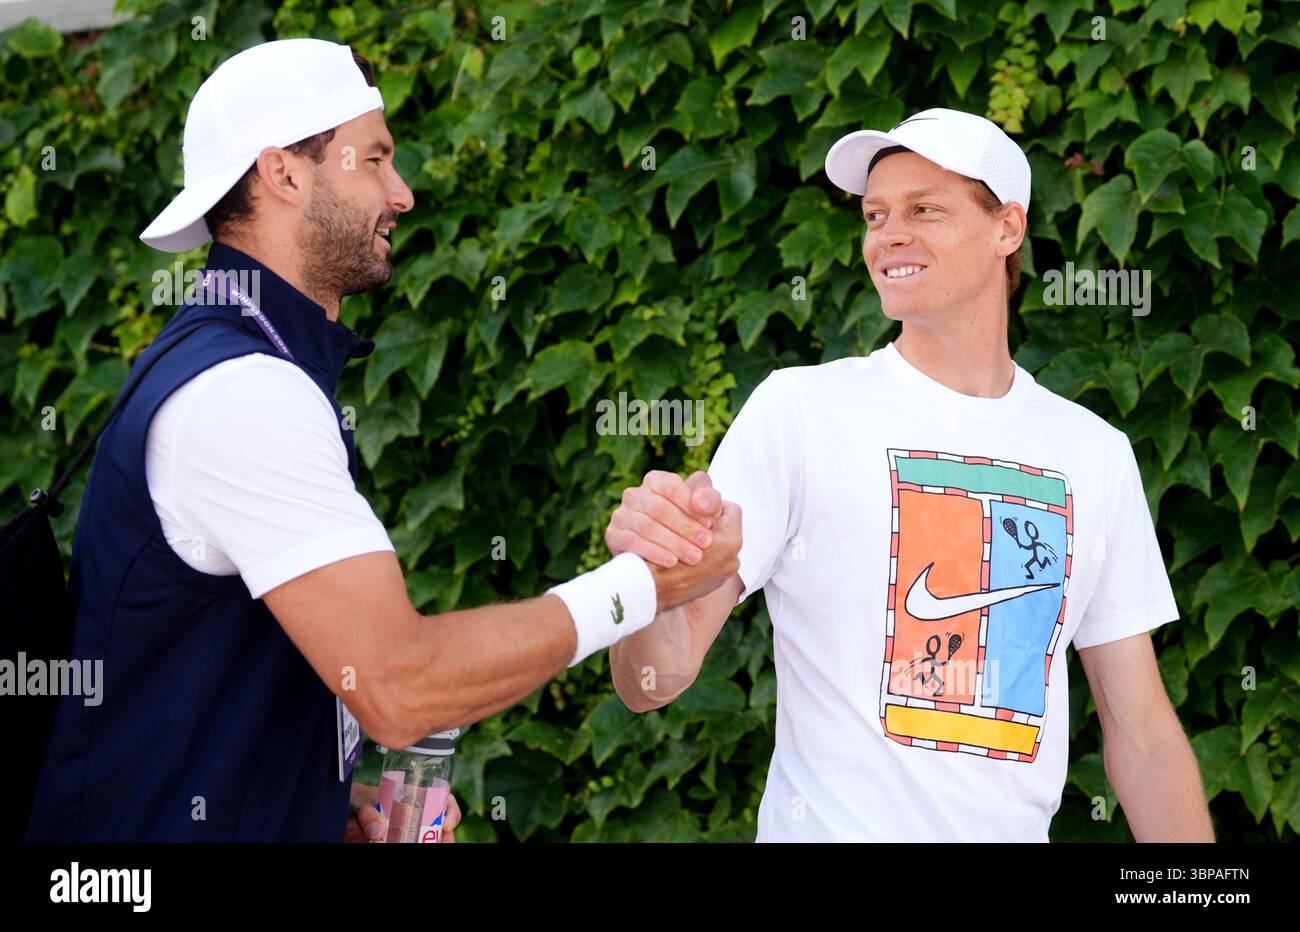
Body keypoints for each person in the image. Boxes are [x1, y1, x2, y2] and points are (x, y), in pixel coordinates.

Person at [25, 38, 740, 843]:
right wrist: (643, 586)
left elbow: (229, 678)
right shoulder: (243, 393)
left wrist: (316, 810)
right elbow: (400, 688)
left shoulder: (235, 362)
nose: (401, 192)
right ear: (284, 174)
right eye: (372, 160)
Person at [604, 108, 1213, 842]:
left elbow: (1141, 727)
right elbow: (657, 678)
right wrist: (649, 581)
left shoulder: (1093, 453)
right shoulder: (800, 411)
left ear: (1007, 229)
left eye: (925, 209)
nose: (889, 234)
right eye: (875, 214)